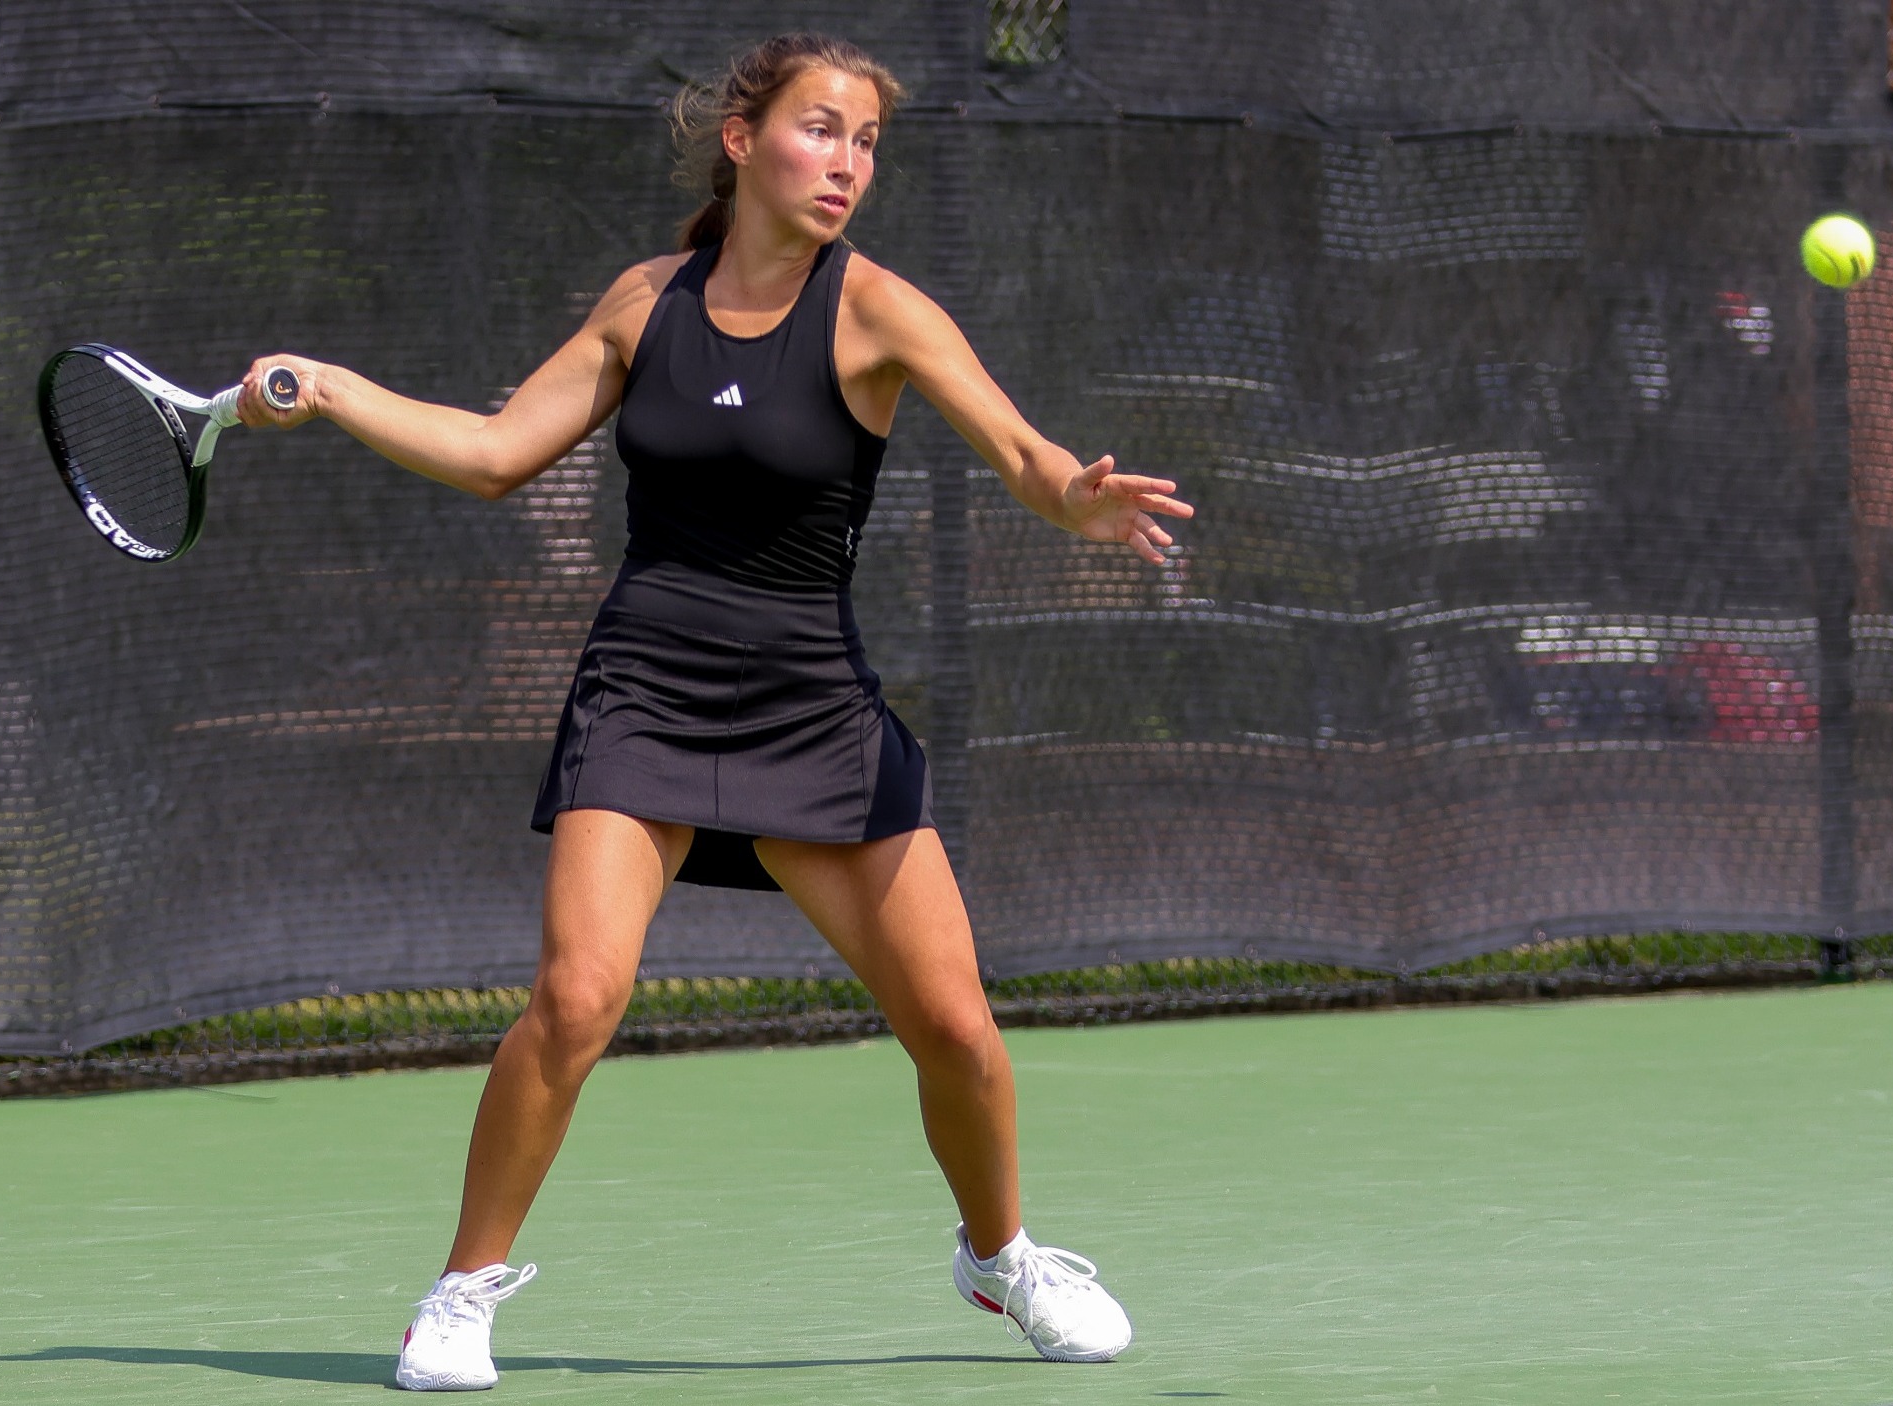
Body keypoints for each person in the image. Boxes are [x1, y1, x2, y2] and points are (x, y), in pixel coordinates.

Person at [234, 31, 1194, 1392]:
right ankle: (456, 1295)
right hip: (647, 691)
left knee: (958, 1031)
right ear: (744, 140)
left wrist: (1077, 500)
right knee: (574, 998)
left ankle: (1002, 1253)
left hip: (814, 703)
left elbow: (1031, 457)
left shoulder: (878, 312)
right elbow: (500, 452)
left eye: (864, 140)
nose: (846, 161)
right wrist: (333, 389)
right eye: (821, 129)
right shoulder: (644, 303)